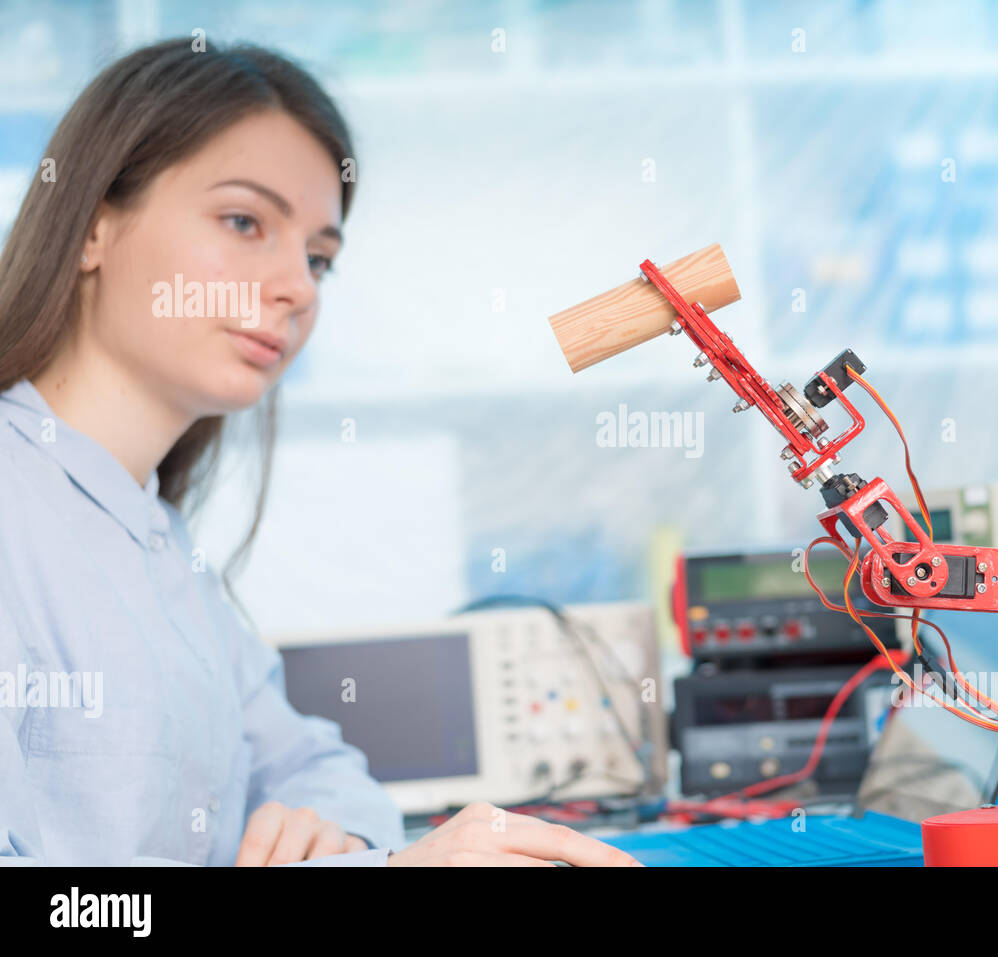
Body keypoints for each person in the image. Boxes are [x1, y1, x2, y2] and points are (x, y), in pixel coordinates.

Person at [0, 37, 639, 868]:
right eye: (243, 221)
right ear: (93, 225)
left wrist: (332, 833)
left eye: (318, 259)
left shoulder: (159, 548)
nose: (298, 286)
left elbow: (316, 766)